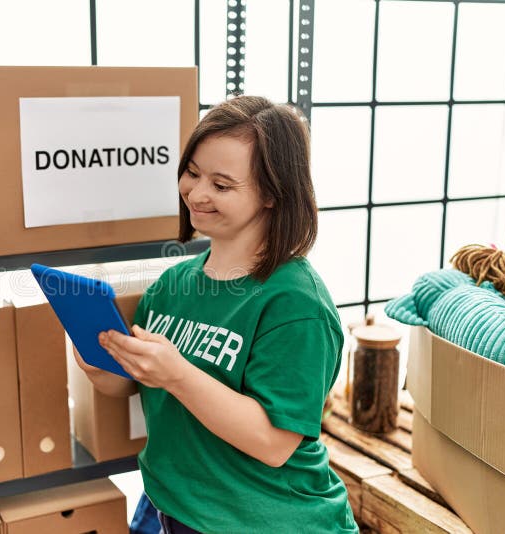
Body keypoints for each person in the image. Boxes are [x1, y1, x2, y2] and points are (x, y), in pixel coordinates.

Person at [73, 95, 358, 533]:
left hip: (271, 522)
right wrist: (99, 361)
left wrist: (177, 374)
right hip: (179, 512)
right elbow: (133, 384)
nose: (197, 193)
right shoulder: (172, 285)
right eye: (192, 173)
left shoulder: (297, 305)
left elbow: (273, 443)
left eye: (222, 186)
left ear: (272, 194)